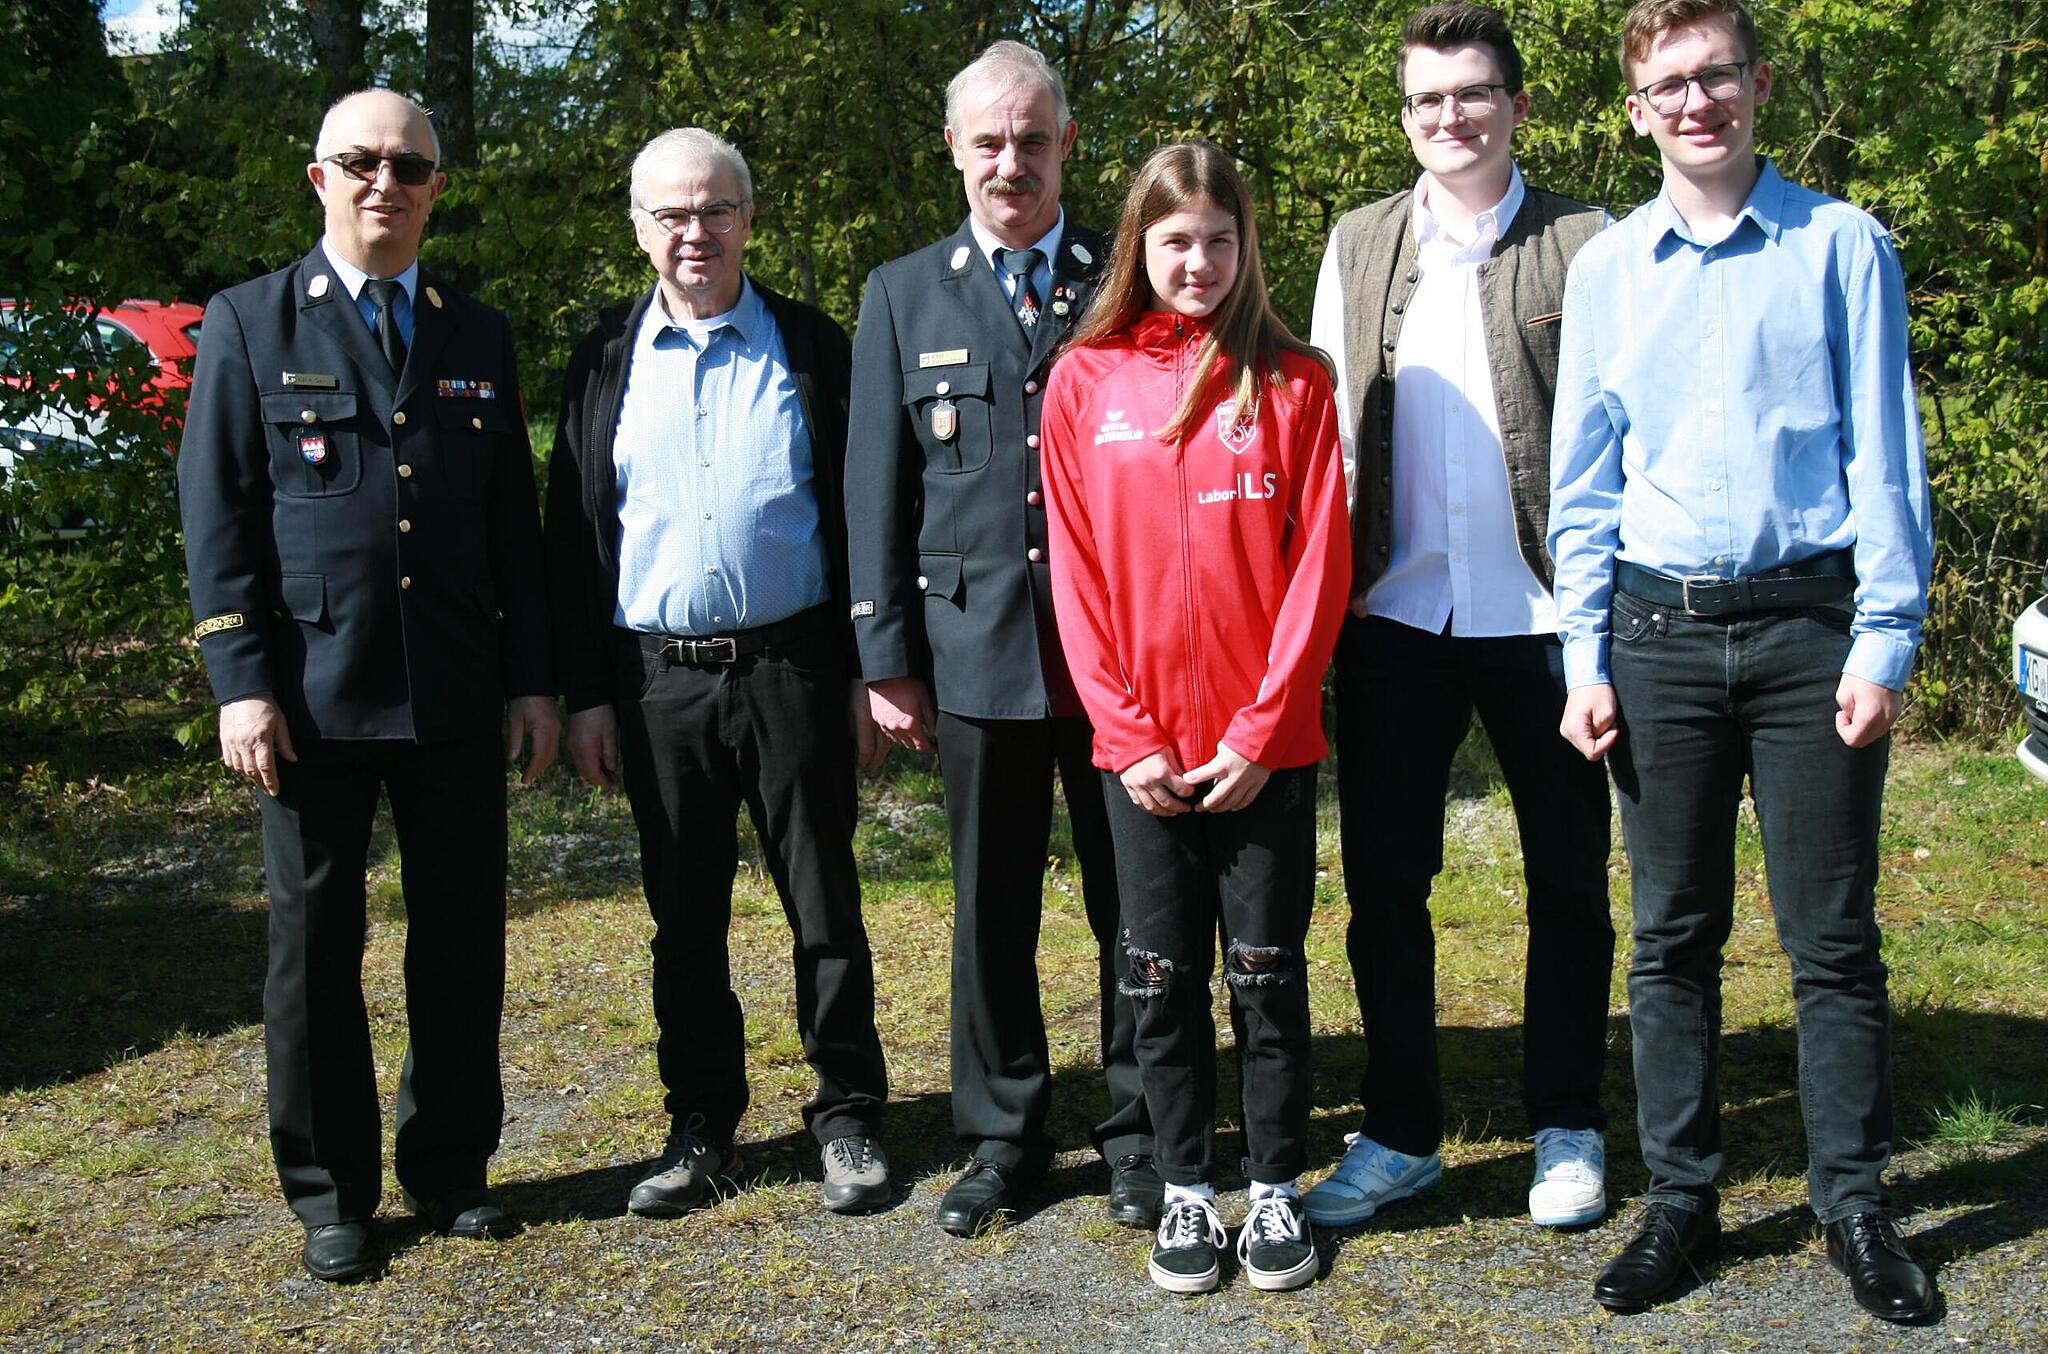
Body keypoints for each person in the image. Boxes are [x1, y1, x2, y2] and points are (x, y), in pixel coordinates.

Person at [1548, 0, 1936, 1320]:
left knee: (1830, 938)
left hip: (1809, 632)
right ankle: (1682, 1197)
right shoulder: (1607, 269)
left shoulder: (1842, 245)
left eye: (1718, 74)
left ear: (1759, 83)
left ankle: (1855, 1201)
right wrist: (1579, 657)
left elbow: (1886, 455)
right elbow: (1584, 480)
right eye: (1670, 83)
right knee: (1671, 935)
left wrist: (1885, 637)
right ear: (1638, 106)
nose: (1697, 100)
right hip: (1654, 637)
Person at [177, 89, 558, 1283]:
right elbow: (219, 514)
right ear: (319, 178)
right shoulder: (247, 323)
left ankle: (448, 1169)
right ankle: (331, 1191)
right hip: (310, 694)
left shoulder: (472, 332)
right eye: (360, 163)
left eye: (409, 166)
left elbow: (514, 529)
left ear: (437, 186)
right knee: (312, 950)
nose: (384, 182)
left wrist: (535, 681)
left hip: (450, 687)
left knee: (459, 942)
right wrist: (241, 680)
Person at [1303, 1, 1615, 1233]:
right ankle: (1396, 1131)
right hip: (1393, 621)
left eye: (1472, 93)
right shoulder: (1359, 241)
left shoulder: (1586, 241)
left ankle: (1566, 1120)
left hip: (1550, 622)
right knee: (1383, 885)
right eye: (1427, 100)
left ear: (1517, 104)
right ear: (1404, 117)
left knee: (1568, 884)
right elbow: (1326, 434)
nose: (1451, 117)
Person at [542, 129, 892, 1220]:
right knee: (682, 918)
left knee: (823, 902)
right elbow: (573, 535)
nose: (695, 232)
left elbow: (863, 513)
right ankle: (700, 1123)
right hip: (656, 687)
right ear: (638, 225)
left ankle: (846, 1115)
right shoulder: (603, 358)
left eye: (716, 209)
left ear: (748, 216)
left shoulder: (809, 343)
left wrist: (864, 670)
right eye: (672, 214)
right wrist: (587, 690)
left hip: (791, 667)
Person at [843, 40, 1156, 1235]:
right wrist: (882, 657)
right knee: (989, 908)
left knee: (1135, 905)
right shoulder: (900, 292)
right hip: (970, 649)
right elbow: (875, 487)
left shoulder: (1122, 276)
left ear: (1067, 143)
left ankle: (1139, 1128)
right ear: (954, 150)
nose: (1010, 162)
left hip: (1114, 656)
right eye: (988, 141)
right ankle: (1000, 1134)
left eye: (1032, 139)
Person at [1042, 141, 1350, 1294]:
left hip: (1262, 751)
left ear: (1244, 246)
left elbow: (1318, 570)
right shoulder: (1085, 382)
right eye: (1175, 240)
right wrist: (1126, 737)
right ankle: (1183, 1188)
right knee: (1155, 976)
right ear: (1138, 245)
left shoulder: (1294, 381)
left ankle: (1272, 1188)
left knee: (1266, 973)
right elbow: (1074, 578)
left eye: (1219, 239)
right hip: (1145, 758)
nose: (1199, 262)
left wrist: (1261, 734)